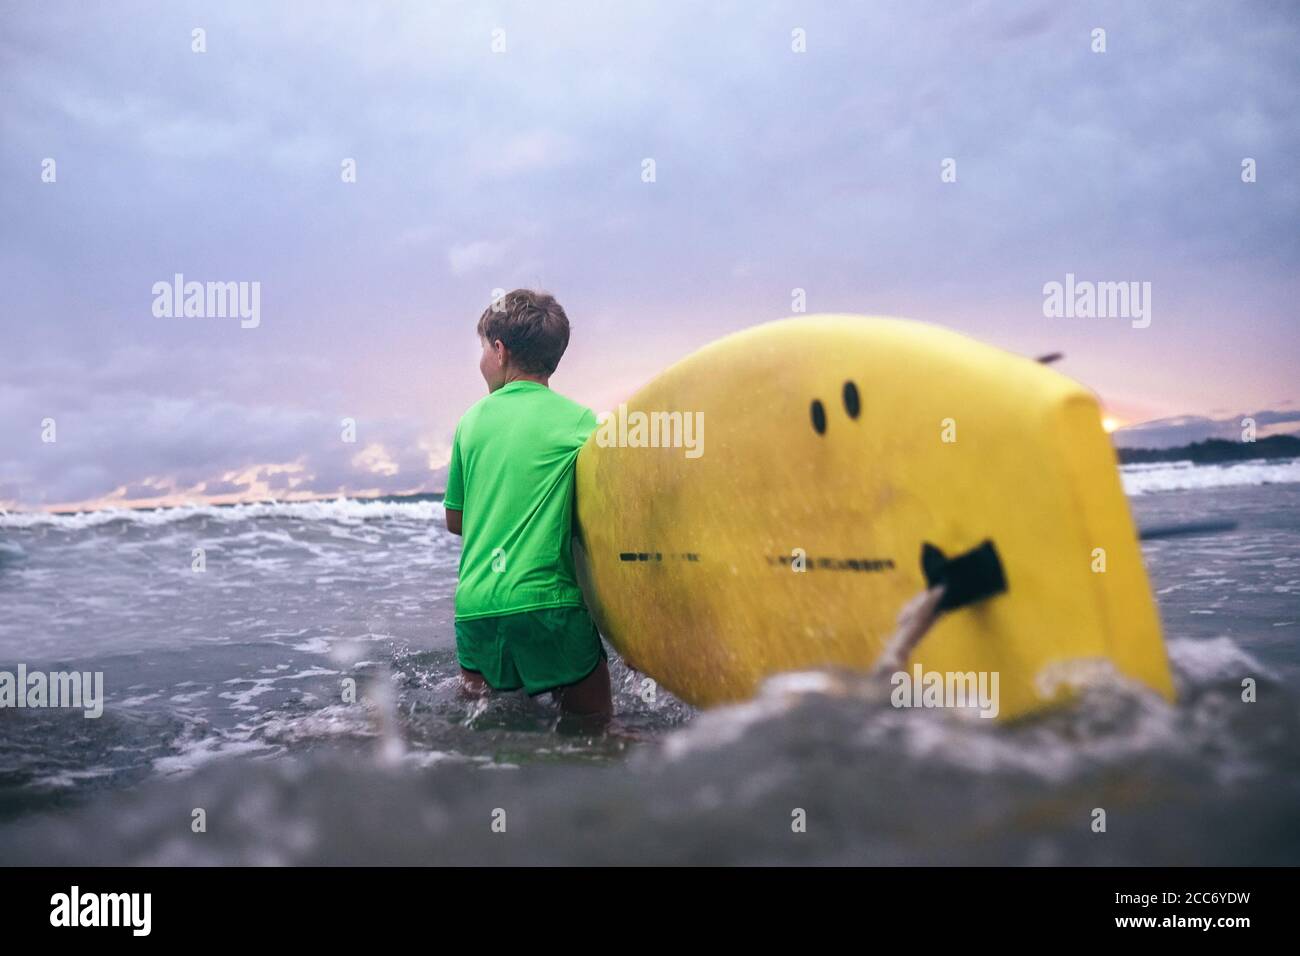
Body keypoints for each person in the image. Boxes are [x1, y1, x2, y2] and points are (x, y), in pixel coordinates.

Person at [442, 289, 612, 721]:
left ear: (499, 351)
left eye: (482, 347)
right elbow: (606, 516)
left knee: (480, 729)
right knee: (595, 729)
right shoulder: (580, 422)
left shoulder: (470, 422)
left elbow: (456, 520)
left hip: (475, 607)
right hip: (548, 605)